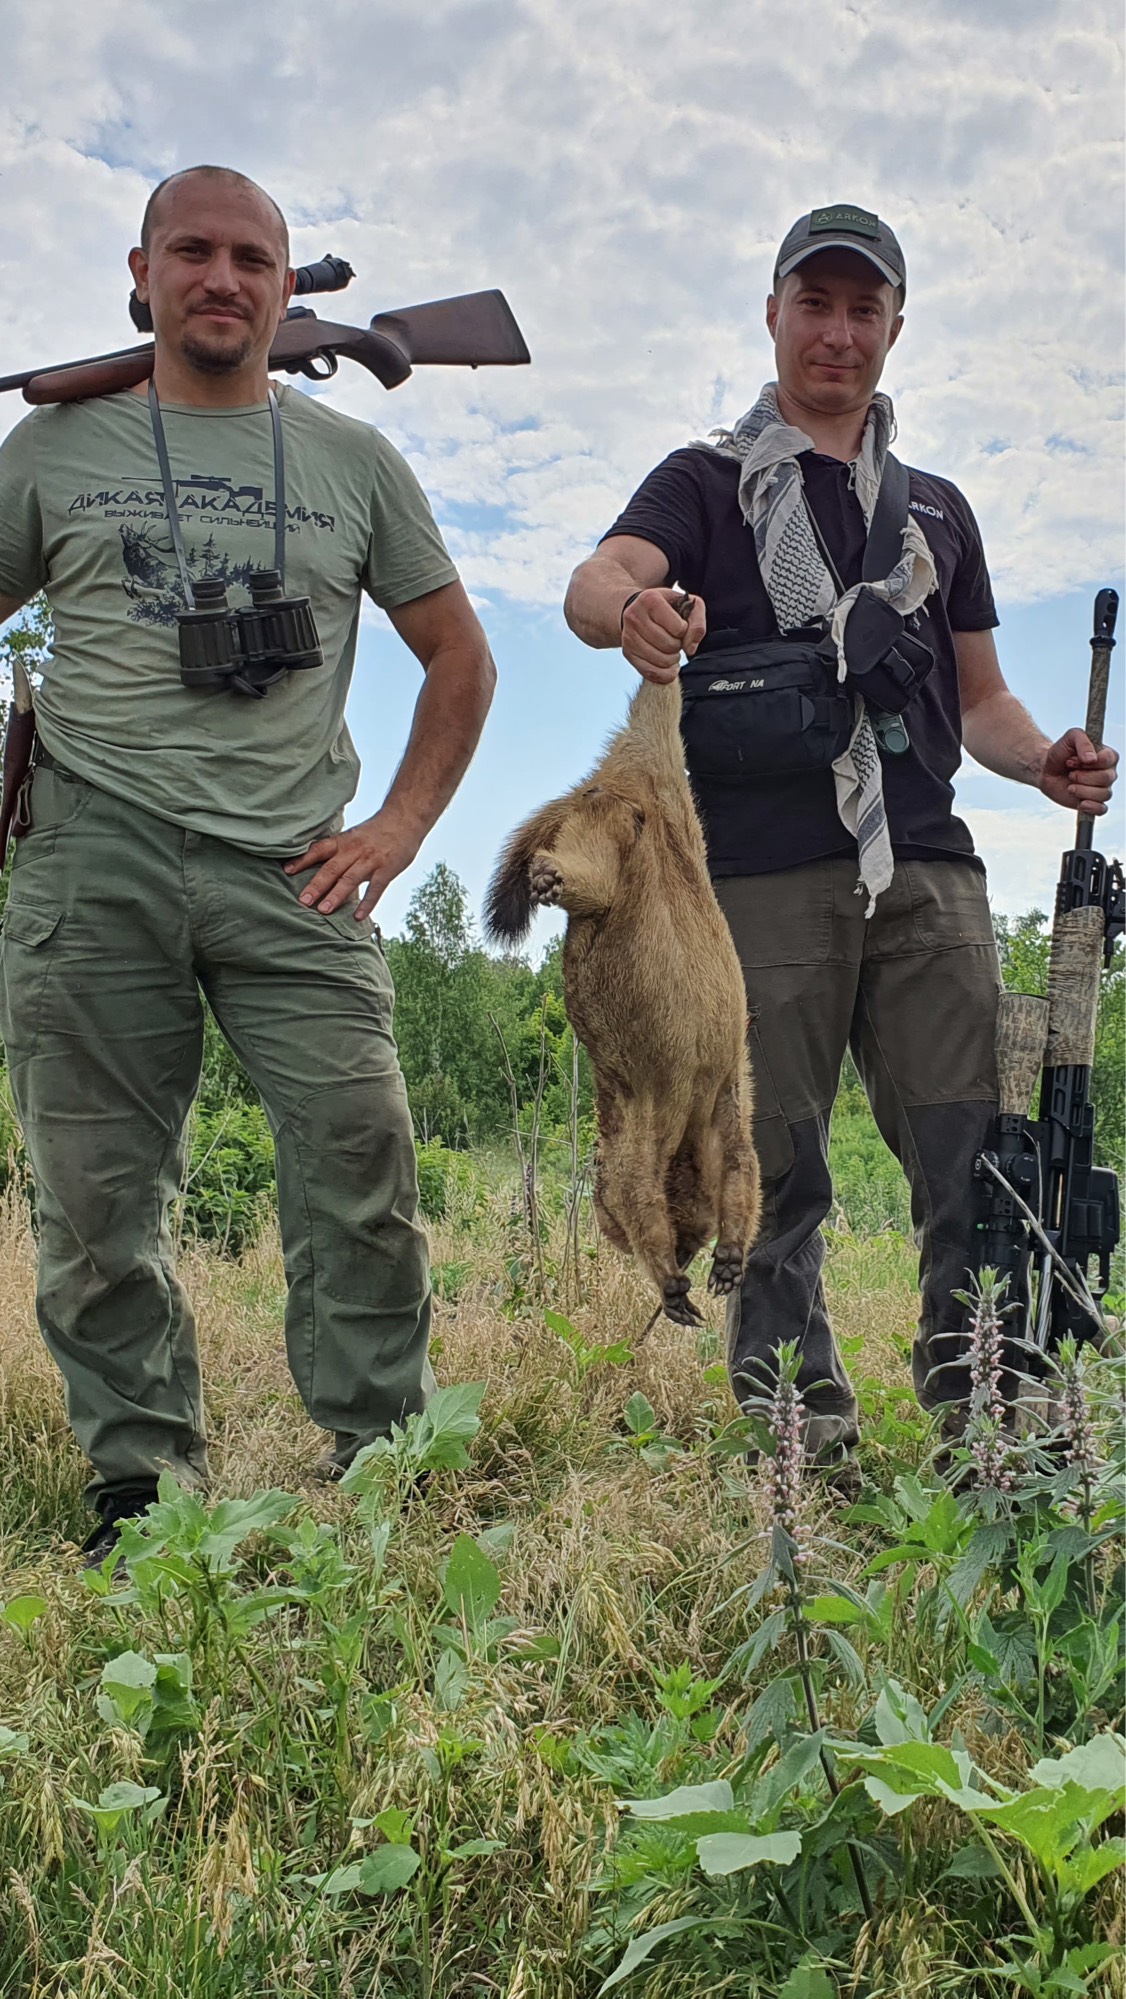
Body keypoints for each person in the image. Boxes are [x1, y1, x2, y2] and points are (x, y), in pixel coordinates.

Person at [564, 203, 1118, 1470]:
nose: (837, 330)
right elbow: (594, 582)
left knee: (974, 1160)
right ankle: (798, 1451)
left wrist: (1045, 760)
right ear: (772, 315)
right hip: (760, 876)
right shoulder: (704, 481)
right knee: (771, 1171)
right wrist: (638, 611)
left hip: (924, 864)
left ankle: (991, 1426)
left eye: (863, 307)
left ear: (895, 327)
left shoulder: (937, 510)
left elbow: (977, 701)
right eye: (813, 303)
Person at [0, 165, 496, 1563]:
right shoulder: (51, 451)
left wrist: (398, 828)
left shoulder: (351, 459)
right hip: (91, 844)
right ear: (141, 273)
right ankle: (142, 1486)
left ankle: (381, 1459)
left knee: (360, 1152)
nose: (221, 277)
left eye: (251, 258)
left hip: (300, 863)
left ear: (287, 290)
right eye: (192, 252)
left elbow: (460, 652)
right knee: (96, 1184)